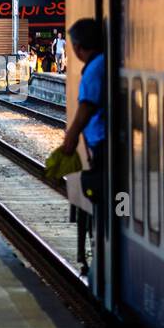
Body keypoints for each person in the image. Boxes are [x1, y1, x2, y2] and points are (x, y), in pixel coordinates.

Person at [60, 18, 105, 203]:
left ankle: (115, 218)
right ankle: (118, 215)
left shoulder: (94, 68)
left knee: (109, 196)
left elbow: (86, 106)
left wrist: (71, 136)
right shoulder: (103, 62)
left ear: (78, 47)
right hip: (104, 143)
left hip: (103, 144)